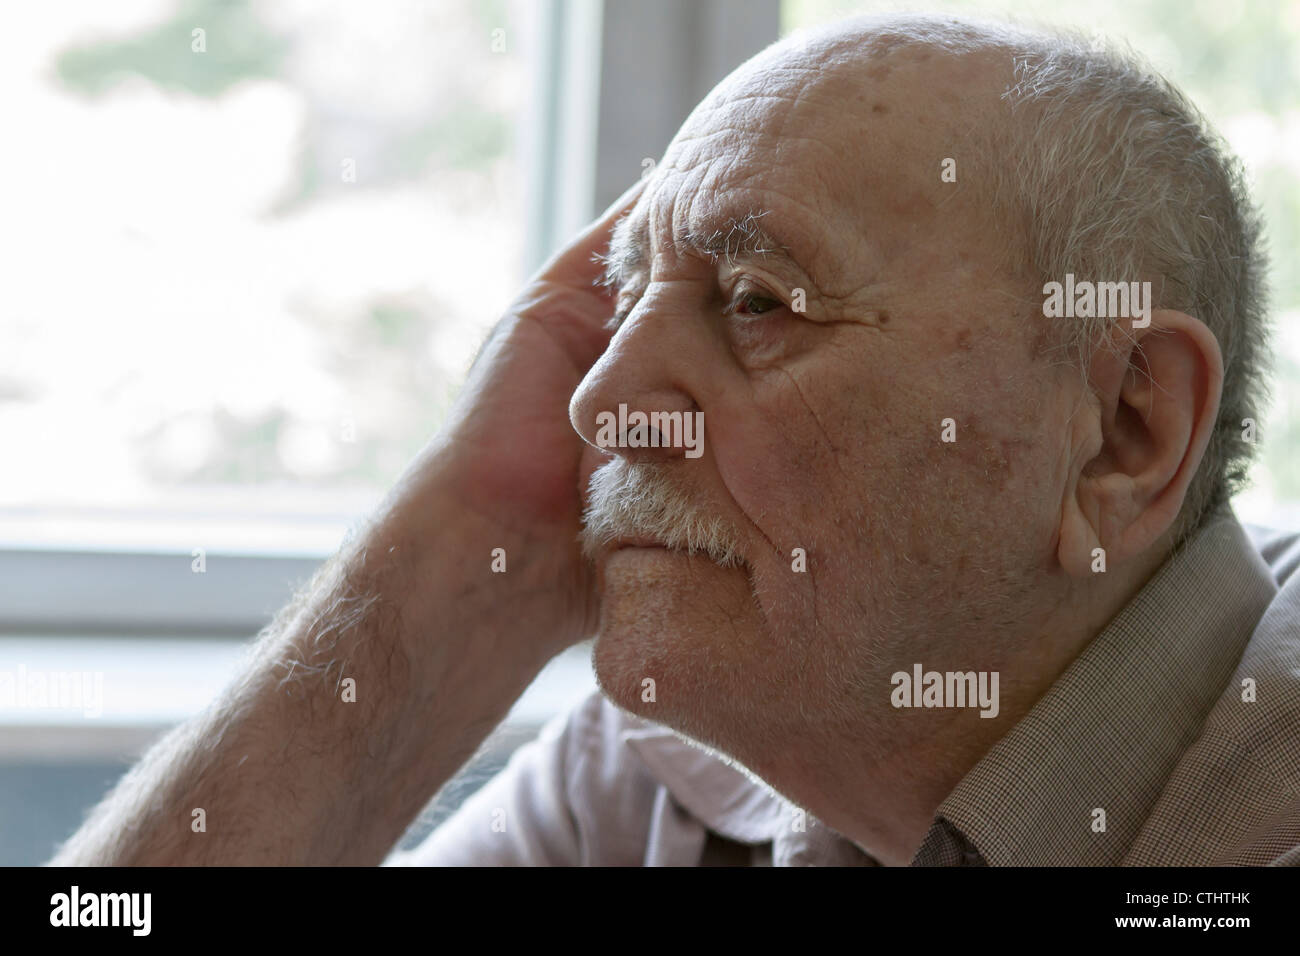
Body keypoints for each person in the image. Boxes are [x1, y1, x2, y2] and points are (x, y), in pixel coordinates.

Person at [51, 13, 1300, 867]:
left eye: (758, 301)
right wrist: (474, 537)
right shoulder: (675, 766)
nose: (597, 402)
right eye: (621, 303)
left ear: (1123, 427)